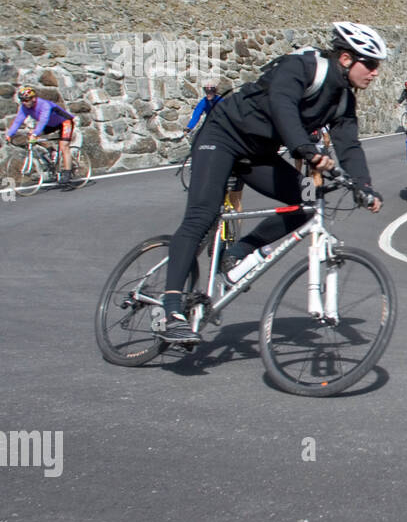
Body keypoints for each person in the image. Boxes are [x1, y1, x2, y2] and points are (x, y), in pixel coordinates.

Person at [156, 22, 386, 344]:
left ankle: (237, 252)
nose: (375, 73)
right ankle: (171, 311)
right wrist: (305, 148)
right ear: (346, 59)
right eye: (371, 64)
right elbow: (283, 106)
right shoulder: (303, 67)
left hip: (258, 154)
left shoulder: (344, 100)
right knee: (201, 215)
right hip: (222, 137)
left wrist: (363, 185)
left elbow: (349, 145)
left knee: (308, 201)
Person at [186, 81, 243, 212]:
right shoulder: (204, 102)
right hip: (209, 126)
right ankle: (195, 165)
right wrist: (188, 128)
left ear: (215, 91)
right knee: (197, 140)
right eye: (206, 91)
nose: (209, 93)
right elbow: (197, 114)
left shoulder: (221, 101)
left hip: (222, 127)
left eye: (211, 91)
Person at [5, 85, 75, 184]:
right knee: (31, 135)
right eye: (22, 101)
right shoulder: (24, 108)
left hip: (64, 122)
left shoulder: (44, 104)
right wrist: (10, 134)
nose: (24, 103)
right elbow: (18, 121)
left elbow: (43, 120)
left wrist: (36, 133)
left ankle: (67, 172)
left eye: (26, 100)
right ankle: (51, 150)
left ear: (33, 98)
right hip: (50, 125)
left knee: (64, 146)